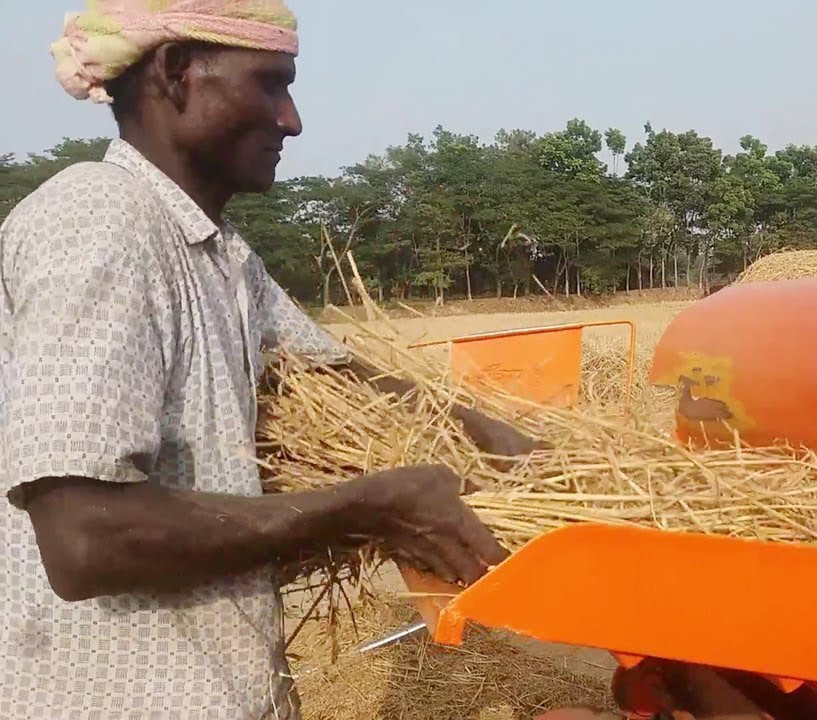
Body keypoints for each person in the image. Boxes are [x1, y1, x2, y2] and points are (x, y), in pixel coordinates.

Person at [0, 2, 547, 718]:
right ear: (174, 72)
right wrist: (373, 504)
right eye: (270, 84)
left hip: (229, 693)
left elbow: (342, 377)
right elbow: (83, 537)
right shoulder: (97, 221)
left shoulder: (221, 254)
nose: (291, 121)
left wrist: (513, 447)